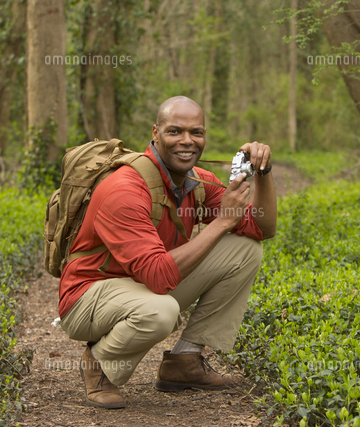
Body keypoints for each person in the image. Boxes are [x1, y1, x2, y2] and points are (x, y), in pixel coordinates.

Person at [57, 96, 277, 409]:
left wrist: (263, 173)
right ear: (156, 133)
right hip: (88, 297)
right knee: (160, 311)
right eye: (175, 131)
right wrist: (223, 222)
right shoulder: (124, 189)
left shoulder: (197, 182)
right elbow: (159, 277)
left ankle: (184, 362)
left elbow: (262, 229)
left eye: (196, 132)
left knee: (244, 249)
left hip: (142, 284)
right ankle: (100, 367)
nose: (187, 141)